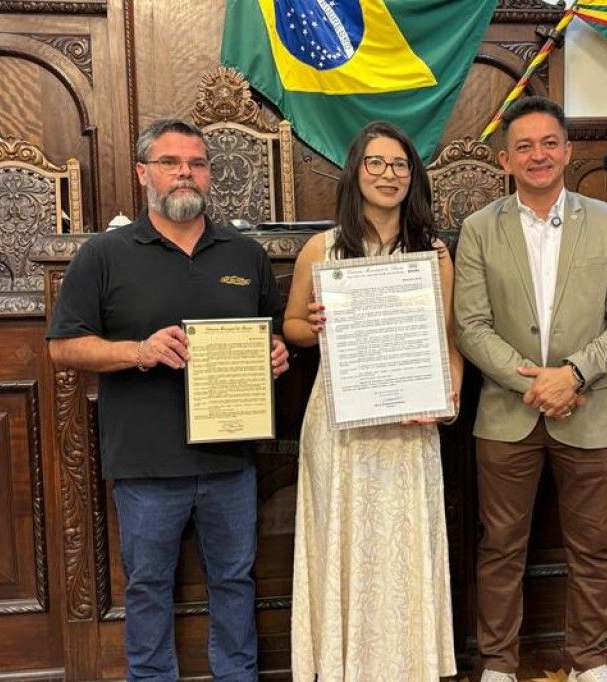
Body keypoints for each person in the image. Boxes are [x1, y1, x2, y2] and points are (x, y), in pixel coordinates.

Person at [47, 119, 290, 681]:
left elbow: (270, 333)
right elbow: (63, 347)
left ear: (209, 175)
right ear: (142, 173)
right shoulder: (104, 254)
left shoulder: (244, 254)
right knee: (148, 586)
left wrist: (275, 354)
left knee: (235, 582)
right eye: (170, 162)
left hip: (230, 459)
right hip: (146, 464)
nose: (185, 173)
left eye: (196, 163)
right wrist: (139, 351)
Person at [454, 96, 607, 682]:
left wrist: (574, 374)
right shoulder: (479, 229)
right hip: (505, 415)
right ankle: (498, 664)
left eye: (548, 144)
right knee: (499, 547)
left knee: (592, 548)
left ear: (567, 151)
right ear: (505, 160)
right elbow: (470, 326)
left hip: (589, 410)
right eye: (524, 147)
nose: (537, 155)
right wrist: (535, 383)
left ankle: (590, 661)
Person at [285, 121, 463, 681]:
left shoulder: (433, 254)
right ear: (356, 172)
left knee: (403, 542)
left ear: (413, 176)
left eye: (400, 164)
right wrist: (313, 325)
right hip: (341, 421)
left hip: (409, 421)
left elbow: (449, 341)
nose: (389, 175)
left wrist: (449, 397)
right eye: (377, 163)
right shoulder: (322, 248)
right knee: (344, 537)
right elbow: (292, 326)